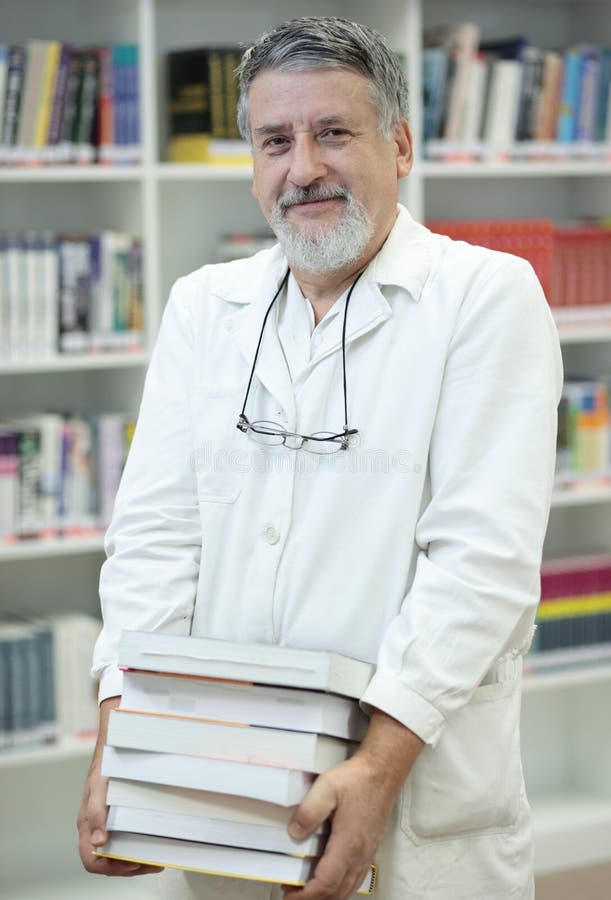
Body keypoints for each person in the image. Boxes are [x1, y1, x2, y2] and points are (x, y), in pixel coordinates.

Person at [77, 15, 562, 900]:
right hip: (220, 793)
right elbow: (153, 541)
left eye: (332, 132)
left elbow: (480, 566)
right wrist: (125, 747)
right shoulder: (203, 305)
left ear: (400, 144)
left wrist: (376, 769)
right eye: (274, 141)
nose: (301, 169)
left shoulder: (484, 297)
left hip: (413, 802)